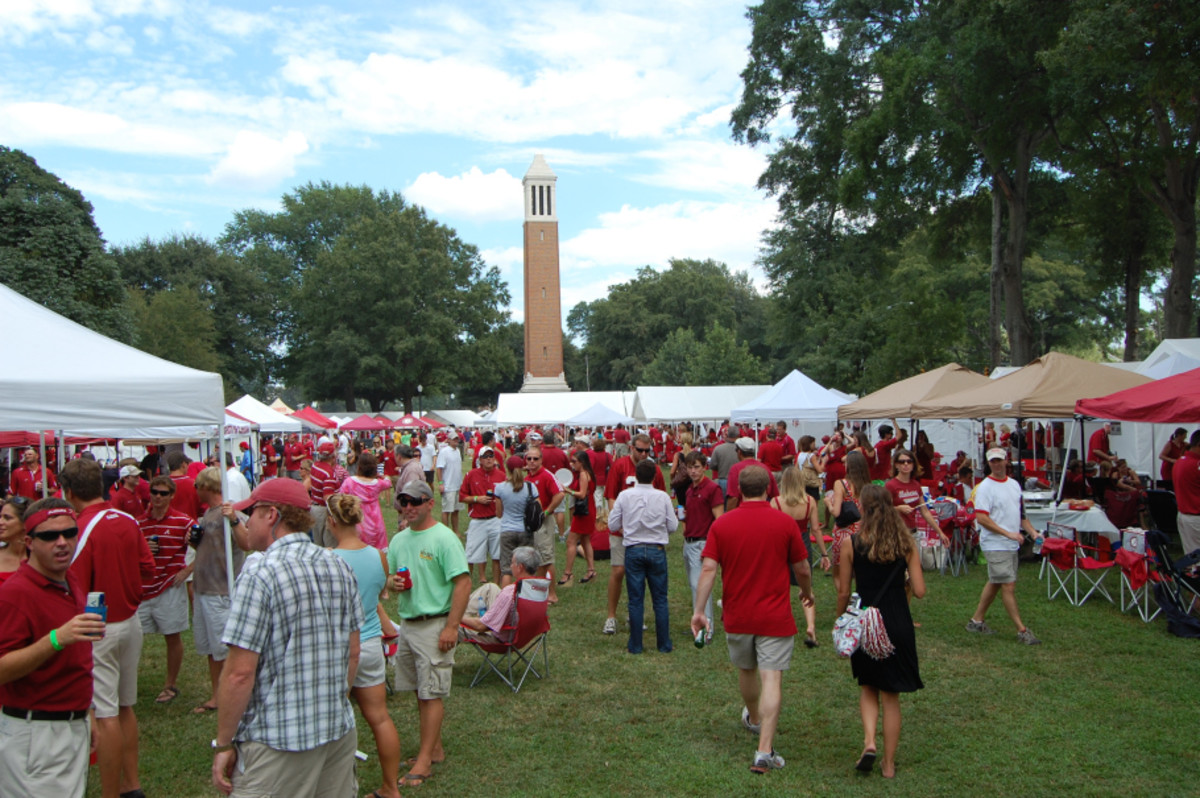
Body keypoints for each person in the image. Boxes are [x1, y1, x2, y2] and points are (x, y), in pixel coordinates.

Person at [211, 479, 364, 798]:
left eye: (249, 513)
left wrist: (224, 742)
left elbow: (239, 673)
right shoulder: (337, 564)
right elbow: (352, 653)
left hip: (278, 741)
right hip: (336, 729)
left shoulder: (259, 573)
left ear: (271, 515)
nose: (245, 521)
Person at [691, 465, 814, 775]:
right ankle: (764, 750)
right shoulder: (785, 524)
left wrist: (699, 610)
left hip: (738, 612)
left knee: (747, 670)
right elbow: (802, 567)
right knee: (772, 678)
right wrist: (807, 592)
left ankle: (755, 719)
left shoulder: (723, 525)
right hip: (774, 614)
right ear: (769, 490)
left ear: (740, 491)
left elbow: (708, 569)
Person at [0, 498, 107, 798]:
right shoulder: (14, 594)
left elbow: (77, 662)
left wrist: (88, 713)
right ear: (29, 542)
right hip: (35, 734)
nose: (62, 543)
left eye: (69, 533)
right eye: (49, 536)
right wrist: (55, 639)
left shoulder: (69, 579)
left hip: (72, 725)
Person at [60, 457, 154, 798]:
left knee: (104, 715)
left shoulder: (78, 528)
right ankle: (132, 784)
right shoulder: (128, 520)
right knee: (124, 706)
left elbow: (70, 580)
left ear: (69, 492)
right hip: (130, 621)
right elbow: (148, 567)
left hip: (99, 627)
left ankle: (111, 793)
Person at [836, 484, 926, 779]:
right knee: (891, 696)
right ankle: (888, 763)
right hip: (897, 621)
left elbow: (844, 590)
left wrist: (841, 619)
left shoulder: (852, 543)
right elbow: (921, 591)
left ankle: (869, 741)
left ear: (861, 507)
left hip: (865, 622)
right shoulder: (905, 543)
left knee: (868, 687)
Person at [386, 480, 470, 788]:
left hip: (435, 624)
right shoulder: (398, 541)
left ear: (429, 503)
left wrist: (451, 626)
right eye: (403, 502)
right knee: (421, 691)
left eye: (414, 502)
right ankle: (433, 749)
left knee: (431, 692)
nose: (408, 507)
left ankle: (424, 762)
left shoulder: (445, 539)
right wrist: (392, 583)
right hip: (408, 623)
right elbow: (392, 577)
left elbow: (463, 583)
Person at [328, 493, 401, 798]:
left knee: (332, 720)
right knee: (380, 717)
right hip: (371, 643)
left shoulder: (329, 560)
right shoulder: (376, 555)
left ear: (332, 522)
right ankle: (390, 787)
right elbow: (378, 595)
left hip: (338, 648)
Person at [966, 448, 1043, 645]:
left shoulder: (1014, 485)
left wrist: (1033, 532)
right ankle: (1022, 629)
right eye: (993, 461)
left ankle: (976, 620)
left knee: (997, 581)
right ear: (988, 463)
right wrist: (1008, 533)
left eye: (999, 460)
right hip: (994, 542)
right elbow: (981, 518)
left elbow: (1021, 516)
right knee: (1008, 584)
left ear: (1006, 461)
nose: (996, 464)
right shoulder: (984, 488)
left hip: (1010, 542)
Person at [189, 468, 248, 715]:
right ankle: (217, 694)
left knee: (223, 649)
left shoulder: (230, 512)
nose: (196, 491)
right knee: (212, 649)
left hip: (221, 590)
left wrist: (234, 519)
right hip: (205, 587)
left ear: (208, 486)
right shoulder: (207, 515)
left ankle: (229, 694)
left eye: (198, 486)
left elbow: (246, 543)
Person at [609, 459, 678, 654]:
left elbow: (613, 524)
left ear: (635, 476)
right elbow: (672, 526)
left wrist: (628, 528)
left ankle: (636, 644)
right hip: (656, 548)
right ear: (656, 476)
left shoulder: (624, 495)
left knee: (636, 599)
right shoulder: (663, 497)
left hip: (634, 548)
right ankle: (664, 643)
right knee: (660, 599)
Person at [137, 475, 195, 705]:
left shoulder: (184, 522)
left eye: (163, 493)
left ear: (172, 496)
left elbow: (207, 547)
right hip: (143, 587)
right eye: (154, 492)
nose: (158, 497)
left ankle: (170, 684)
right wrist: (141, 549)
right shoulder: (139, 523)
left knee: (172, 636)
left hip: (169, 586)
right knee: (133, 637)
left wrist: (187, 571)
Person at [602, 434, 665, 634]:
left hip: (644, 533)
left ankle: (635, 614)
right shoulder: (620, 466)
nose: (644, 454)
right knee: (618, 571)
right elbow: (611, 496)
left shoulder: (653, 470)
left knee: (640, 575)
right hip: (622, 531)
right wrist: (619, 524)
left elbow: (661, 496)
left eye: (648, 451)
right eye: (640, 450)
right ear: (631, 448)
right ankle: (611, 616)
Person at [770, 466, 827, 647]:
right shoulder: (810, 501)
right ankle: (810, 627)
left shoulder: (776, 502)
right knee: (806, 588)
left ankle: (780, 625)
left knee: (781, 586)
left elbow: (771, 528)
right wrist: (824, 553)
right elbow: (816, 529)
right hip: (802, 542)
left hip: (782, 544)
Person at [458, 545, 541, 645]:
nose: (510, 566)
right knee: (490, 587)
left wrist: (455, 617)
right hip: (524, 633)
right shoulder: (539, 588)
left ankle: (456, 611)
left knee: (447, 624)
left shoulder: (510, 593)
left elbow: (481, 626)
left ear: (520, 567)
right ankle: (461, 610)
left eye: (512, 563)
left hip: (501, 637)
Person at [682, 451, 724, 638]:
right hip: (689, 541)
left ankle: (706, 629)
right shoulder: (690, 490)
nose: (693, 471)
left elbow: (719, 519)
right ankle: (699, 624)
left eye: (696, 467)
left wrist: (710, 546)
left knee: (700, 586)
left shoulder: (711, 488)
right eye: (690, 467)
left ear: (704, 468)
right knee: (694, 585)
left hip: (703, 542)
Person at [523, 445, 566, 603]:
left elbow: (560, 494)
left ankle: (552, 594)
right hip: (531, 522)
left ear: (541, 460)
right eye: (529, 459)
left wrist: (547, 512)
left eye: (536, 458)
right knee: (537, 557)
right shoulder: (527, 478)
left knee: (547, 558)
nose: (532, 461)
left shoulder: (547, 475)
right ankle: (539, 591)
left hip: (544, 521)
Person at [826, 450, 870, 601]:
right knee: (861, 572)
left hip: (843, 533)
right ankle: (861, 600)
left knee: (839, 574)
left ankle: (846, 601)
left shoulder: (841, 484)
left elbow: (836, 512)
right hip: (863, 531)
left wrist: (828, 503)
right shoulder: (867, 486)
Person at [460, 447, 508, 585]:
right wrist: (476, 499)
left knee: (497, 555)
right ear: (479, 460)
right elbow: (462, 496)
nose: (489, 459)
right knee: (470, 554)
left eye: (491, 456)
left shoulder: (501, 476)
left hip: (496, 519)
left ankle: (496, 585)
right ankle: (465, 584)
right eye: (485, 456)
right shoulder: (471, 475)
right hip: (477, 520)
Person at [338, 451, 391, 551]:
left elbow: (340, 497)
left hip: (358, 523)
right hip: (376, 524)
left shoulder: (350, 482)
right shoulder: (378, 484)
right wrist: (382, 476)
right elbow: (388, 483)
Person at [560, 449, 598, 586]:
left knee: (571, 542)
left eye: (574, 461)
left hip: (584, 512)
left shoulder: (583, 474)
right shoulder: (587, 473)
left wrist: (567, 490)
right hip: (589, 509)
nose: (572, 464)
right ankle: (591, 570)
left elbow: (582, 494)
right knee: (585, 540)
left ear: (581, 462)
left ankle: (568, 573)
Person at [726, 437, 780, 510]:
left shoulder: (735, 469)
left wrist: (729, 516)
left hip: (743, 511)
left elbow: (733, 498)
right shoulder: (765, 468)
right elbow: (774, 495)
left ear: (739, 452)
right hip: (763, 511)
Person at [1173, 430, 1200, 555]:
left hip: (1185, 514)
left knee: (1191, 557)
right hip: (1195, 516)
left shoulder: (1180, 461)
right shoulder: (1196, 464)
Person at [436, 431, 465, 534]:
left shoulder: (457, 451)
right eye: (454, 439)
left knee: (456, 510)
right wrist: (441, 483)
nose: (456, 441)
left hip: (457, 485)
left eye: (457, 439)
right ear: (448, 440)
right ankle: (445, 533)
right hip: (448, 486)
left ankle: (456, 531)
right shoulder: (444, 452)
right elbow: (439, 468)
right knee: (447, 510)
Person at [0, 496, 30, 586]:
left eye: (7, 518)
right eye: (0, 517)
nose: (0, 522)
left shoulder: (40, 559)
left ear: (25, 523)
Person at [709, 428, 740, 495]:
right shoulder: (742, 450)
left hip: (723, 479)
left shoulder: (718, 448)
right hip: (738, 480)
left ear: (727, 435)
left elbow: (712, 465)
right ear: (738, 436)